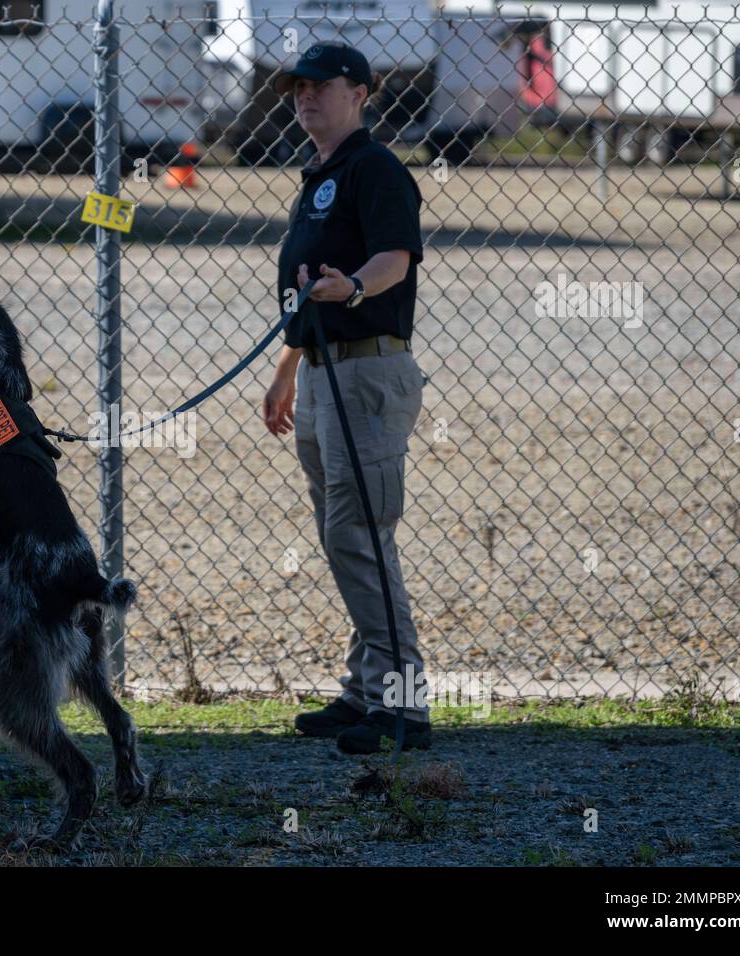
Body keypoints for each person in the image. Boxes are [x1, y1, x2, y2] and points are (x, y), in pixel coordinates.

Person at [261, 41, 432, 754]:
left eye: (321, 86)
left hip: (367, 374)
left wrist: (357, 285)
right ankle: (366, 692)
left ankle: (404, 705)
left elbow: (395, 258)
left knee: (359, 535)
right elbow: (311, 289)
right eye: (298, 87)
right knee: (346, 537)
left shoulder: (377, 168)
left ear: (361, 93)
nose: (306, 97)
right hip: (326, 373)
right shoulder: (319, 175)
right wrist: (286, 368)